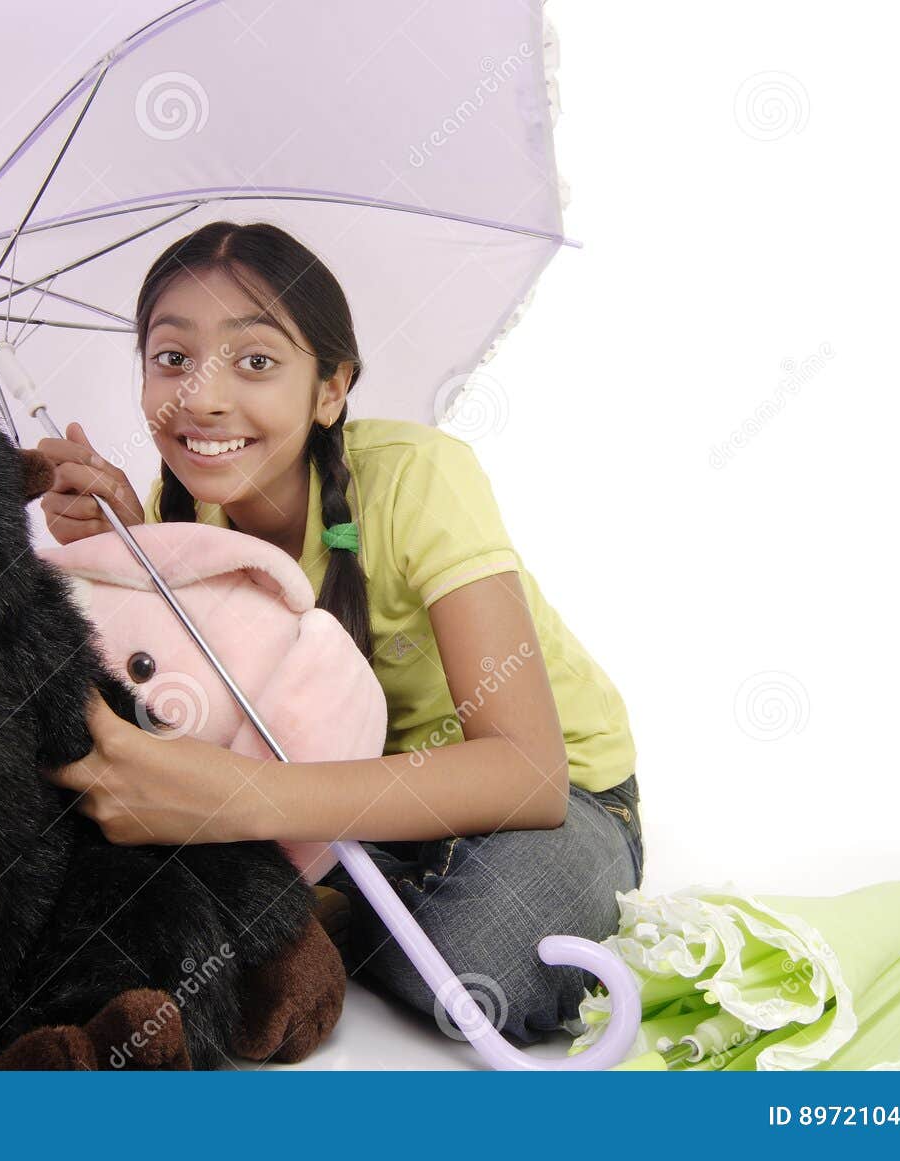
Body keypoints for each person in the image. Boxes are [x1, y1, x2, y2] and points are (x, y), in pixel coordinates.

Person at [38, 220, 644, 1045]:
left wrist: (231, 804)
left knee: (486, 961)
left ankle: (319, 915)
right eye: (172, 359)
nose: (202, 398)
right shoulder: (186, 511)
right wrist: (132, 550)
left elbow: (529, 772)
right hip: (361, 808)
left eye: (255, 361)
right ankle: (337, 903)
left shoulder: (417, 476)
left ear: (331, 387)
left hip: (555, 800)